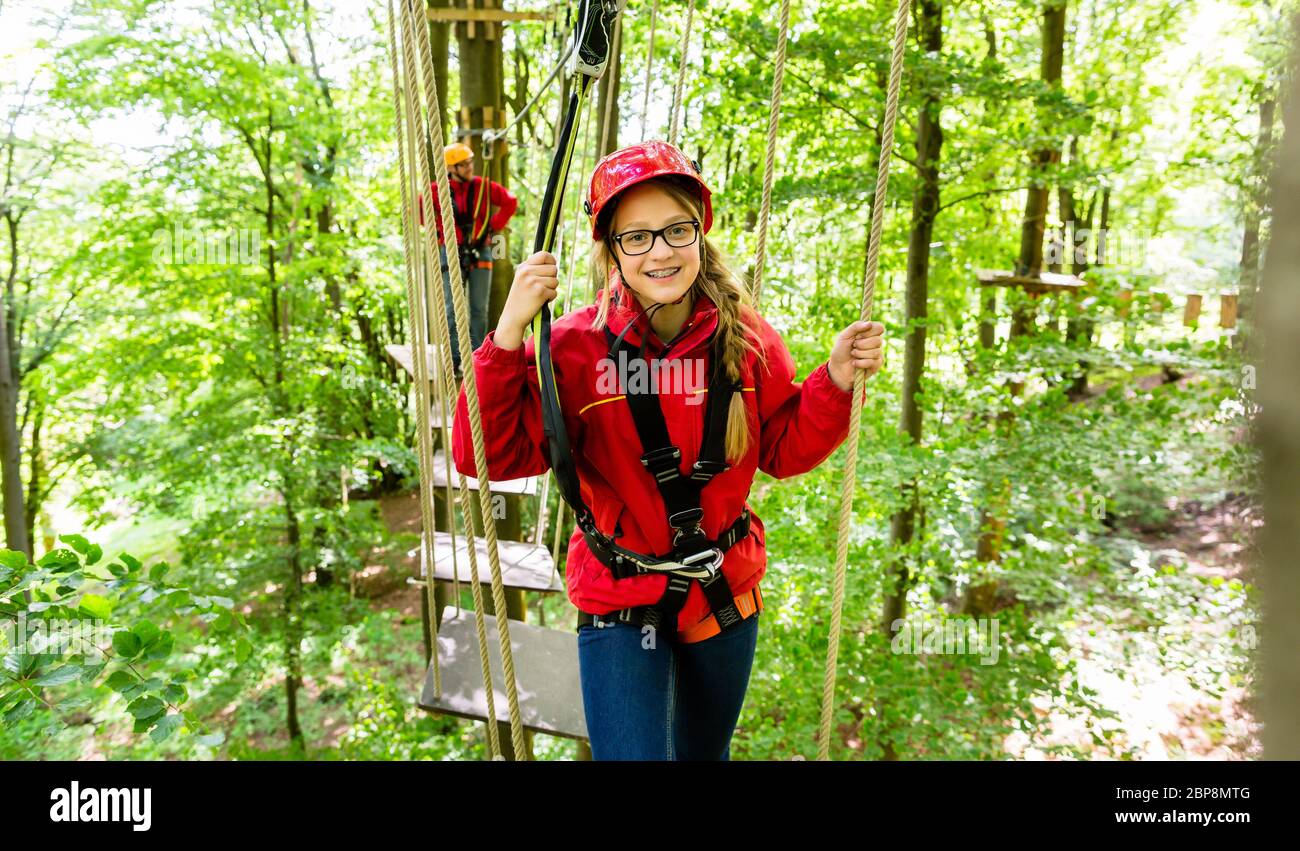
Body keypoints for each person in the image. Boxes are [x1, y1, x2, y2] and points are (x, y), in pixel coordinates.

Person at [450, 140, 885, 760]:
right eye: (637, 237)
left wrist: (835, 381)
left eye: (676, 230)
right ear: (611, 251)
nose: (660, 251)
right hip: (621, 596)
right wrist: (508, 332)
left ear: (699, 235)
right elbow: (484, 456)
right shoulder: (573, 350)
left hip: (721, 592)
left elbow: (784, 449)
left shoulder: (746, 338)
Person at [425, 142, 518, 376]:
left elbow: (510, 201)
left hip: (480, 250)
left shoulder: (483, 186)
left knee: (478, 308)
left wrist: (493, 226)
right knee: (451, 309)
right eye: (463, 165)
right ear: (451, 169)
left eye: (470, 163)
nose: (469, 167)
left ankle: (476, 358)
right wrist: (441, 230)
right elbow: (419, 211)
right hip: (450, 250)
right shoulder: (437, 191)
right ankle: (456, 359)